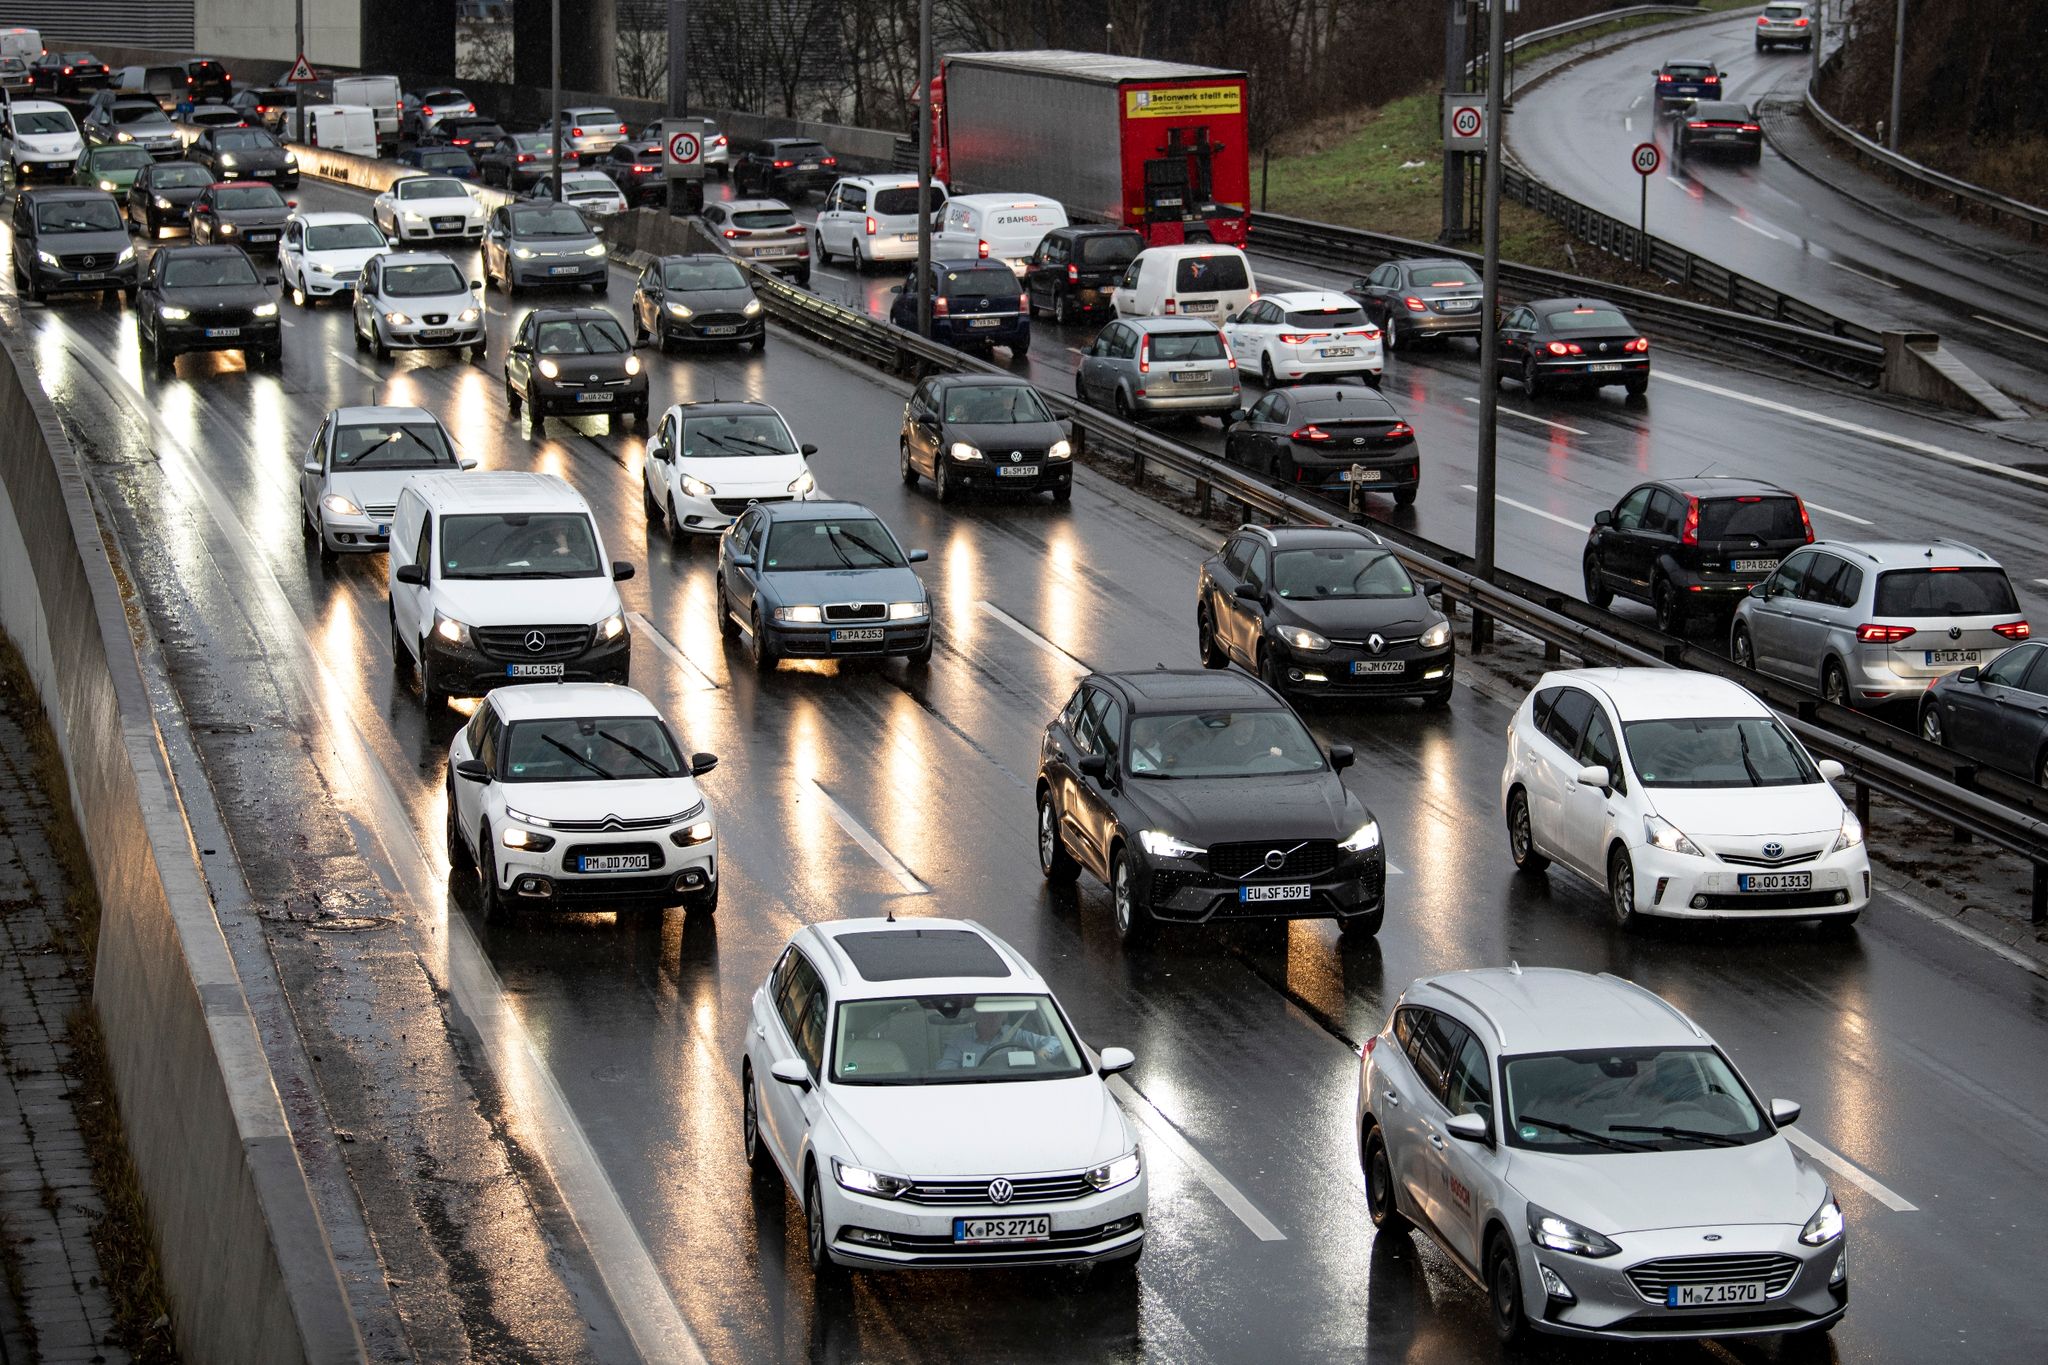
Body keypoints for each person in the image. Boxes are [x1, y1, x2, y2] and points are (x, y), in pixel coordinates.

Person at [936, 1008, 1065, 1070]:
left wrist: (1043, 1053)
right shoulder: (960, 1040)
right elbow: (944, 1070)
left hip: (1015, 1089)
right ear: (975, 1014)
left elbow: (1057, 1042)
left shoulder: (1017, 1035)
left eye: (997, 1012)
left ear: (1005, 1015)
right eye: (986, 1013)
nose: (992, 1016)